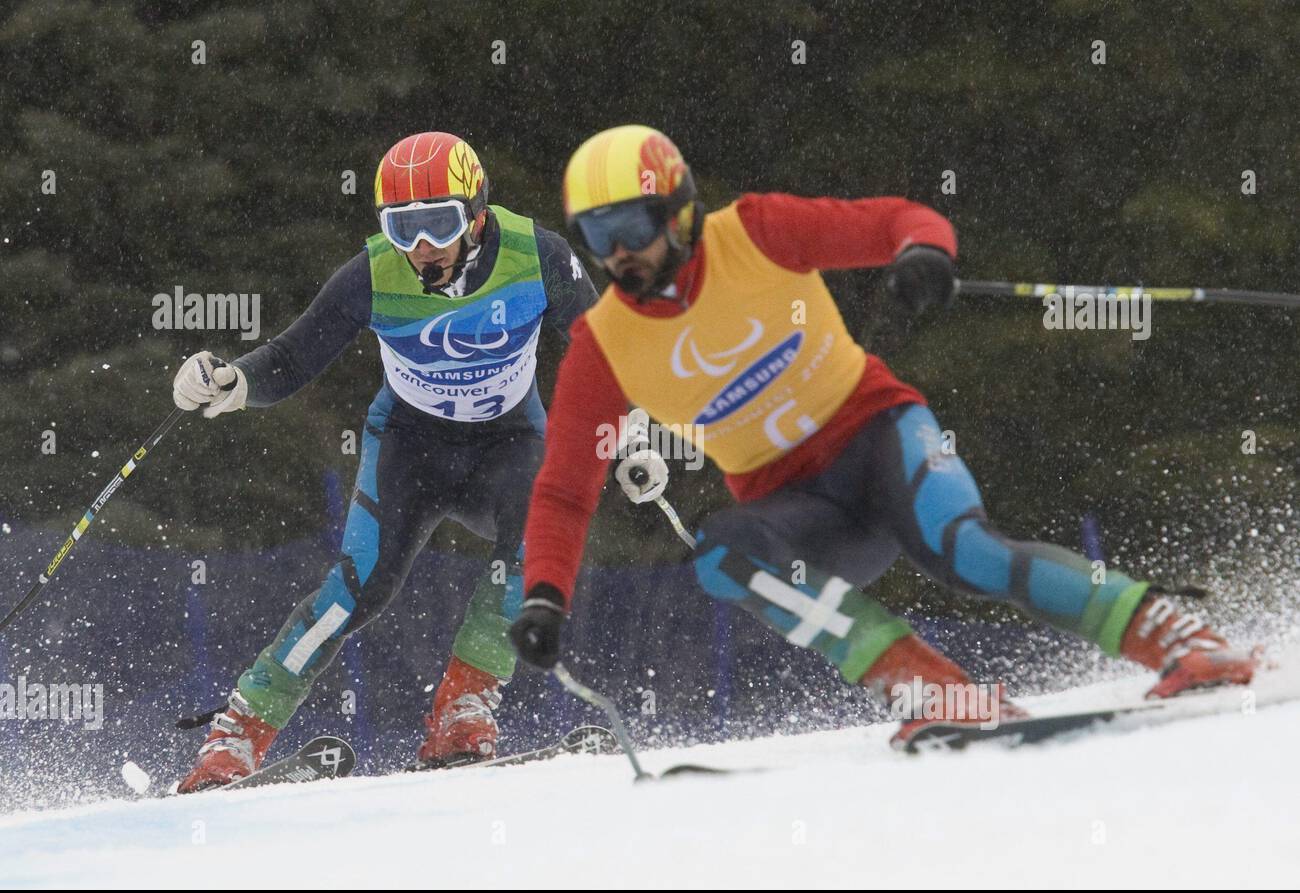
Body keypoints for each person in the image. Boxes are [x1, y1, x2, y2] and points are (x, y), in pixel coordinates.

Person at [509, 124, 1257, 743]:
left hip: (879, 436)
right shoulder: (602, 346)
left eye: (630, 227)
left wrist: (925, 254)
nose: (617, 254)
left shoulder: (757, 232)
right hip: (804, 508)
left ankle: (1179, 639)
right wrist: (546, 595)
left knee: (967, 550)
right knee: (723, 554)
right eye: (596, 237)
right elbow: (566, 489)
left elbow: (897, 221)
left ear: (677, 211)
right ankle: (936, 691)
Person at [172, 131, 597, 791]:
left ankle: (462, 708)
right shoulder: (374, 272)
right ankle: (237, 734)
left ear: (476, 215)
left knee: (534, 554)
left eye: (438, 223)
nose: (421, 246)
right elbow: (291, 358)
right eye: (403, 228)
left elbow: (607, 349)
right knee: (353, 594)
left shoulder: (537, 256)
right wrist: (235, 383)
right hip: (409, 447)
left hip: (508, 443)